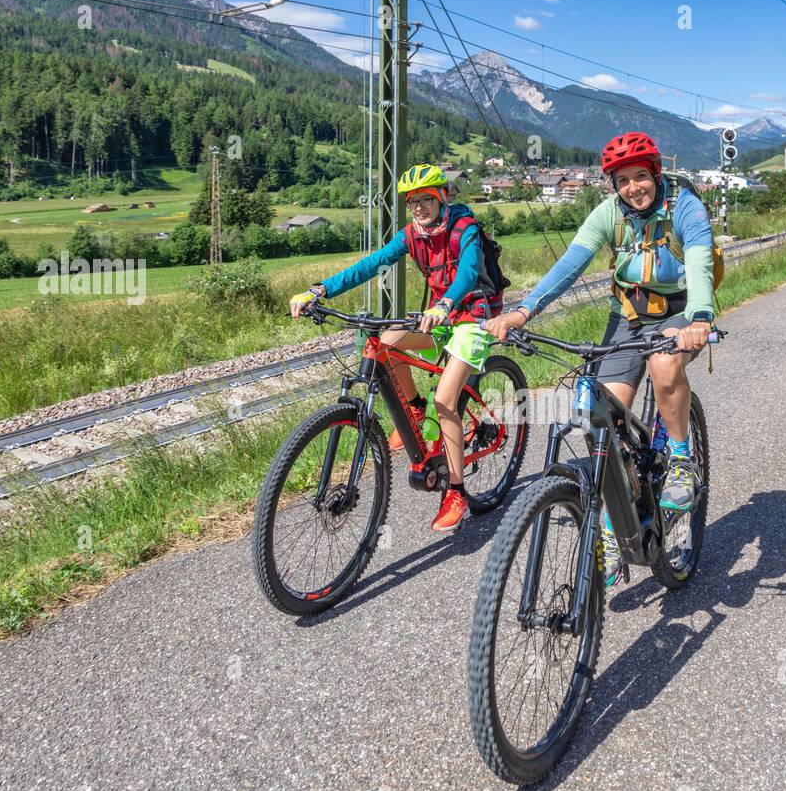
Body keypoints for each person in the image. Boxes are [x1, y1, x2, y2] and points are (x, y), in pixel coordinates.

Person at [483, 132, 715, 586]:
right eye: (623, 180)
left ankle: (682, 458)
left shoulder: (685, 206)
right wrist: (524, 310)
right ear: (613, 184)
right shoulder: (609, 213)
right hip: (628, 314)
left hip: (682, 311)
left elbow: (700, 262)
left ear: (655, 174)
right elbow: (571, 263)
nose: (633, 187)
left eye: (640, 177)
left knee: (664, 366)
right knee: (602, 416)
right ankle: (612, 527)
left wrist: (701, 317)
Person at [289, 164, 502, 533]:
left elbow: (468, 273)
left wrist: (445, 305)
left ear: (442, 198)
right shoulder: (412, 235)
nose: (418, 207)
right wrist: (320, 290)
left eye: (426, 200)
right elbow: (372, 264)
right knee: (386, 342)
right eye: (412, 202)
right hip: (439, 316)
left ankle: (456, 492)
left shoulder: (464, 230)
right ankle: (416, 413)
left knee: (446, 400)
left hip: (471, 315)